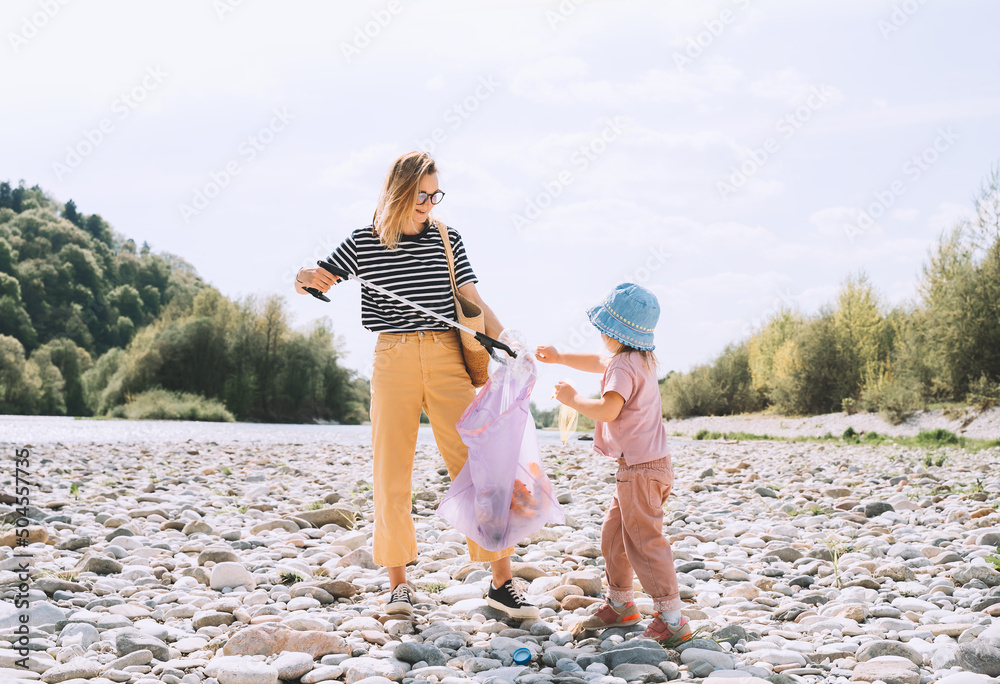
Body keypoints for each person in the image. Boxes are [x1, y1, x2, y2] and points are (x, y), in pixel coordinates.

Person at [294, 151, 537, 619]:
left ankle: (502, 583)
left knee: (478, 466)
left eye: (434, 194)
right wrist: (304, 278)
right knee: (391, 472)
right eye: (421, 193)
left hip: (448, 356)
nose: (428, 202)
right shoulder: (363, 242)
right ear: (399, 190)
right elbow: (313, 280)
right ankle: (399, 586)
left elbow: (472, 300)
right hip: (393, 359)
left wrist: (509, 345)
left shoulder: (449, 239)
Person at [535, 282, 690, 643]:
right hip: (645, 467)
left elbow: (609, 408)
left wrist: (573, 399)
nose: (601, 335)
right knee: (615, 535)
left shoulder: (623, 365)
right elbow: (597, 362)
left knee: (644, 541)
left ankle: (672, 617)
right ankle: (622, 604)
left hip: (639, 470)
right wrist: (560, 356)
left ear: (613, 331)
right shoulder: (637, 359)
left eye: (603, 329)